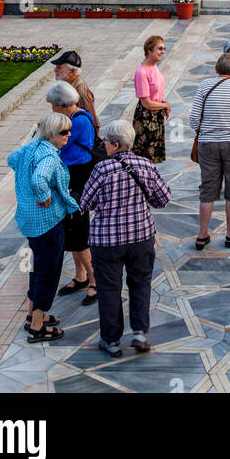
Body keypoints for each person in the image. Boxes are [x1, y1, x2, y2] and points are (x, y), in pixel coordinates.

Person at [80, 118, 171, 357]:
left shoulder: (102, 169)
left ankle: (111, 340)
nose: (104, 146)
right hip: (141, 237)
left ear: (116, 145)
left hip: (106, 241)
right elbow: (163, 198)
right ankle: (140, 333)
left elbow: (86, 203)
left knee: (109, 289)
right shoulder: (145, 164)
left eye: (106, 143)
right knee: (140, 284)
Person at [7, 112, 79, 344]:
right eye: (64, 132)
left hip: (29, 222)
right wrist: (44, 195)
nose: (69, 135)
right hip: (47, 223)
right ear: (51, 134)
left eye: (69, 130)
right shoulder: (48, 156)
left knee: (37, 269)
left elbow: (11, 159)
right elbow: (39, 180)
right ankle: (37, 327)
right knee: (49, 273)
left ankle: (31, 315)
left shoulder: (32, 148)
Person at [189, 52, 230, 250]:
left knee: (208, 189)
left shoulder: (204, 86)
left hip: (208, 144)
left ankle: (202, 235)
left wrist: (207, 130)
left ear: (216, 69)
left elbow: (193, 119)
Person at [46, 80, 97, 305]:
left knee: (79, 230)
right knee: (71, 229)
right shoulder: (73, 118)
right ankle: (81, 276)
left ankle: (95, 279)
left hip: (78, 178)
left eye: (53, 106)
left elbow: (59, 144)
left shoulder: (78, 121)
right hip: (70, 175)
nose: (52, 110)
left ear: (62, 104)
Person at [133, 35, 171, 163]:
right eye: (159, 49)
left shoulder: (153, 66)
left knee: (154, 156)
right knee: (147, 156)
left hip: (156, 115)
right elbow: (146, 103)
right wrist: (165, 106)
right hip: (147, 118)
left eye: (164, 49)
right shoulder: (141, 72)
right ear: (149, 50)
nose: (162, 52)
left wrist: (163, 104)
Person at [50, 50, 98, 129]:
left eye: (59, 67)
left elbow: (90, 121)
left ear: (72, 71)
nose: (55, 70)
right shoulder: (70, 85)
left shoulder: (81, 92)